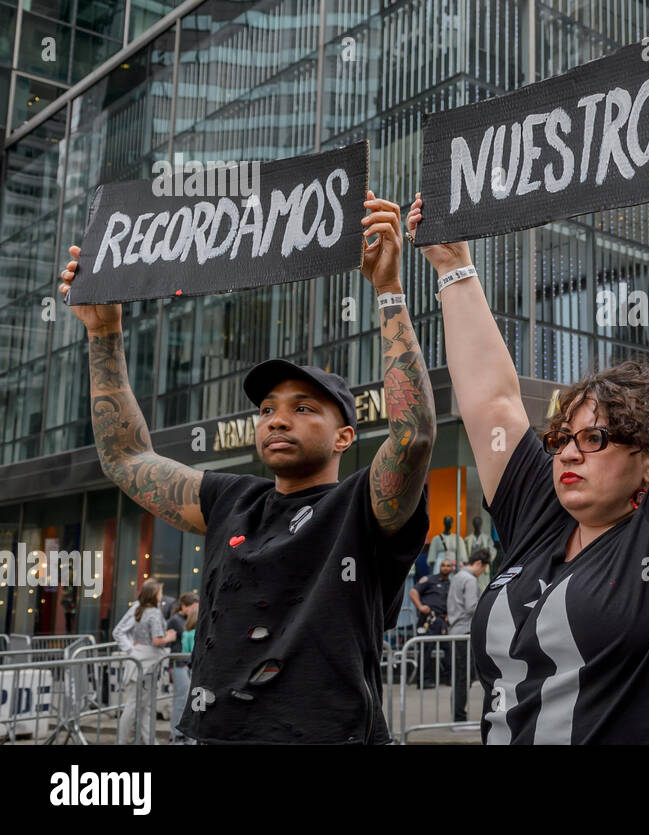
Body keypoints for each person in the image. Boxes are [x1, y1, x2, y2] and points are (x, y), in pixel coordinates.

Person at [405, 114, 649, 743]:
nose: (569, 453)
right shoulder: (545, 519)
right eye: (562, 438)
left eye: (595, 439)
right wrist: (453, 267)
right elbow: (493, 405)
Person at [60, 192, 434, 744]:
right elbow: (126, 457)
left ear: (345, 436)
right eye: (266, 410)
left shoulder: (362, 506)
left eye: (303, 408)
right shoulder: (232, 500)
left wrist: (387, 291)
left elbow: (414, 434)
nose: (277, 420)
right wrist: (103, 333)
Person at [112, 580, 176, 744]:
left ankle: (148, 741)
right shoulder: (152, 612)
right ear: (155, 594)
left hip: (143, 660)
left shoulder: (142, 610)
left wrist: (134, 649)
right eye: (160, 592)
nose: (162, 595)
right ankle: (122, 741)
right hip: (147, 662)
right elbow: (156, 640)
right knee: (134, 705)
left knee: (143, 706)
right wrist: (170, 636)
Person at [447, 548, 492, 722]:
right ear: (479, 563)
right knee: (463, 677)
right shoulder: (470, 580)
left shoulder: (458, 577)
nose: (483, 573)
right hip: (464, 631)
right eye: (484, 569)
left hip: (456, 631)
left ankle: (458, 714)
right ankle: (459, 716)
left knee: (460, 676)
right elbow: (472, 607)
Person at [409, 554, 456, 686]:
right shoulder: (429, 579)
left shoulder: (451, 584)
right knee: (426, 650)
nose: (445, 568)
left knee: (448, 650)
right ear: (439, 567)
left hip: (442, 621)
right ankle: (424, 681)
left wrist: (449, 614)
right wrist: (420, 606)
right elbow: (413, 592)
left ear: (452, 568)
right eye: (443, 565)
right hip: (428, 620)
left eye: (448, 566)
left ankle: (450, 679)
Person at [165, 593, 199, 744]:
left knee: (187, 701)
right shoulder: (176, 620)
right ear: (184, 606)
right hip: (179, 665)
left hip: (185, 665)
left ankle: (185, 734)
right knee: (181, 700)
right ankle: (176, 734)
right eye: (193, 608)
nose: (195, 611)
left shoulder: (184, 620)